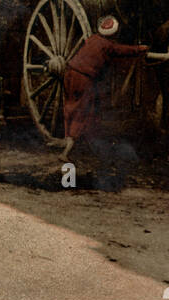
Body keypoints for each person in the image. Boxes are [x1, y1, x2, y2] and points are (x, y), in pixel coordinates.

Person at [61, 15, 150, 184]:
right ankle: (66, 152)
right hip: (84, 78)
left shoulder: (93, 39)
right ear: (112, 34)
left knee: (71, 108)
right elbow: (122, 51)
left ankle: (75, 142)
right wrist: (141, 48)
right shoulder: (108, 45)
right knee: (82, 113)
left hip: (70, 74)